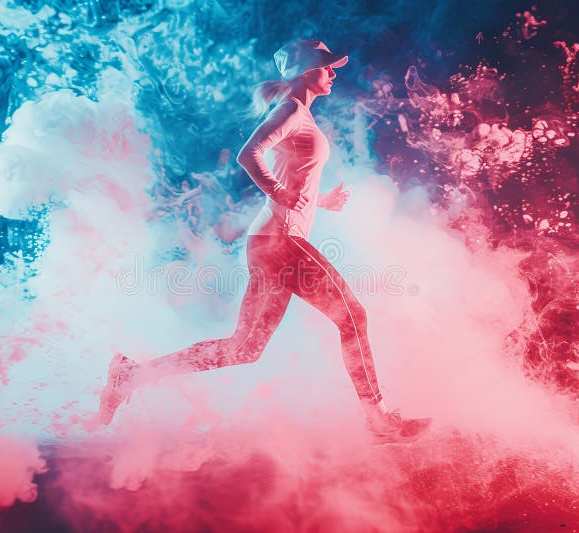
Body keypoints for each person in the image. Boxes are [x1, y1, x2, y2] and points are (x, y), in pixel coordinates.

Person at [96, 39, 431, 442]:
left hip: (270, 242)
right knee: (353, 317)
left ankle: (132, 375)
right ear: (307, 71)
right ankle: (378, 420)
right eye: (328, 67)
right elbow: (249, 153)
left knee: (244, 348)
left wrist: (319, 200)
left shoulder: (298, 113)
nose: (334, 73)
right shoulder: (291, 110)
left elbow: (293, 174)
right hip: (280, 240)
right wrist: (277, 192)